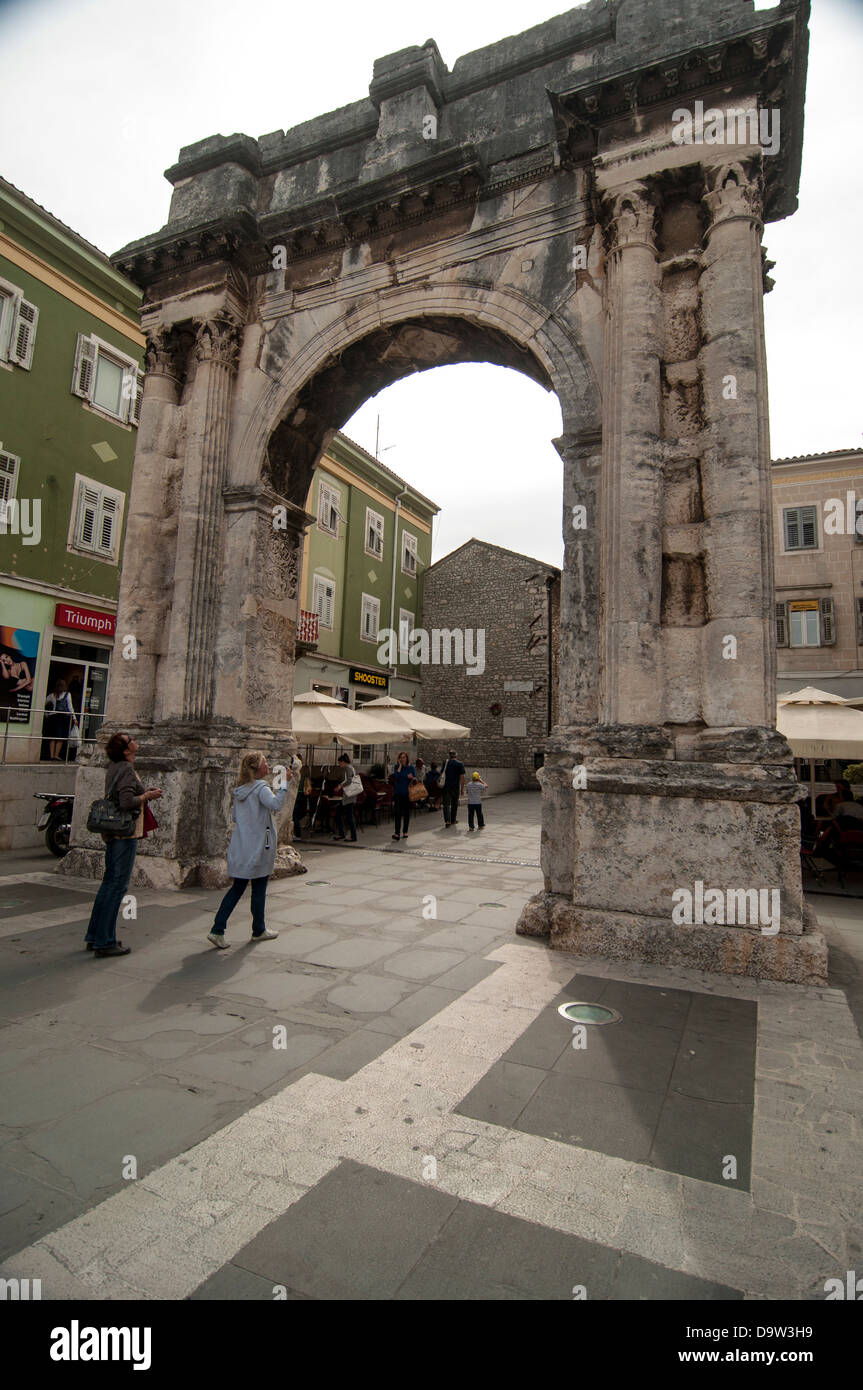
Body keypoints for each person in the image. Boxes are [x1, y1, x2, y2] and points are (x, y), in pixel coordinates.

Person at [84, 732, 162, 957]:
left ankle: (94, 935)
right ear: (127, 750)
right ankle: (105, 941)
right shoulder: (126, 769)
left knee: (108, 884)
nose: (136, 741)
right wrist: (148, 796)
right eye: (131, 740)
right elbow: (127, 801)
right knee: (117, 886)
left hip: (112, 834)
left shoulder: (115, 766)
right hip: (124, 834)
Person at [207, 751, 293, 947]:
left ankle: (218, 928)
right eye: (265, 763)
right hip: (259, 845)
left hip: (242, 843)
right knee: (259, 887)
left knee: (238, 887)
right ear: (256, 768)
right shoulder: (260, 788)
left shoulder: (241, 789)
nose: (268, 766)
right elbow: (276, 804)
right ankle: (258, 929)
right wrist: (284, 783)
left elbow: (237, 817)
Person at [46, 678, 77, 761]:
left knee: (52, 737)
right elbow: (70, 707)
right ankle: (56, 755)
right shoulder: (67, 694)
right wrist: (74, 718)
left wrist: (46, 714)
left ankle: (51, 755)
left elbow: (44, 702)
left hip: (53, 717)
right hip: (63, 718)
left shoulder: (52, 695)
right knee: (61, 738)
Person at [333, 752, 361, 842]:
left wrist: (340, 786)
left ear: (343, 762)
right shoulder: (351, 768)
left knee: (348, 816)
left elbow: (348, 780)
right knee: (341, 814)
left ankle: (352, 836)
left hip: (349, 796)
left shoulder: (347, 768)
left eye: (340, 763)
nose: (339, 765)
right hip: (349, 796)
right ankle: (343, 834)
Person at [391, 750, 416, 841]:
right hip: (398, 793)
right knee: (397, 813)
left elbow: (415, 780)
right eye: (400, 757)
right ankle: (397, 833)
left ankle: (405, 831)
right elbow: (396, 777)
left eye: (404, 757)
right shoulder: (396, 767)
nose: (402, 759)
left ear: (407, 758)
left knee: (406, 814)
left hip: (407, 794)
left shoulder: (411, 768)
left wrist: (412, 778)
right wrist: (400, 766)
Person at [440, 749, 465, 827]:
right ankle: (453, 820)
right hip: (455, 787)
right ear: (456, 755)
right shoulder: (460, 764)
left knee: (446, 804)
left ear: (449, 755)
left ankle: (447, 821)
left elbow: (441, 773)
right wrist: (462, 789)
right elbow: (462, 777)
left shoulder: (445, 762)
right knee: (454, 804)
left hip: (446, 786)